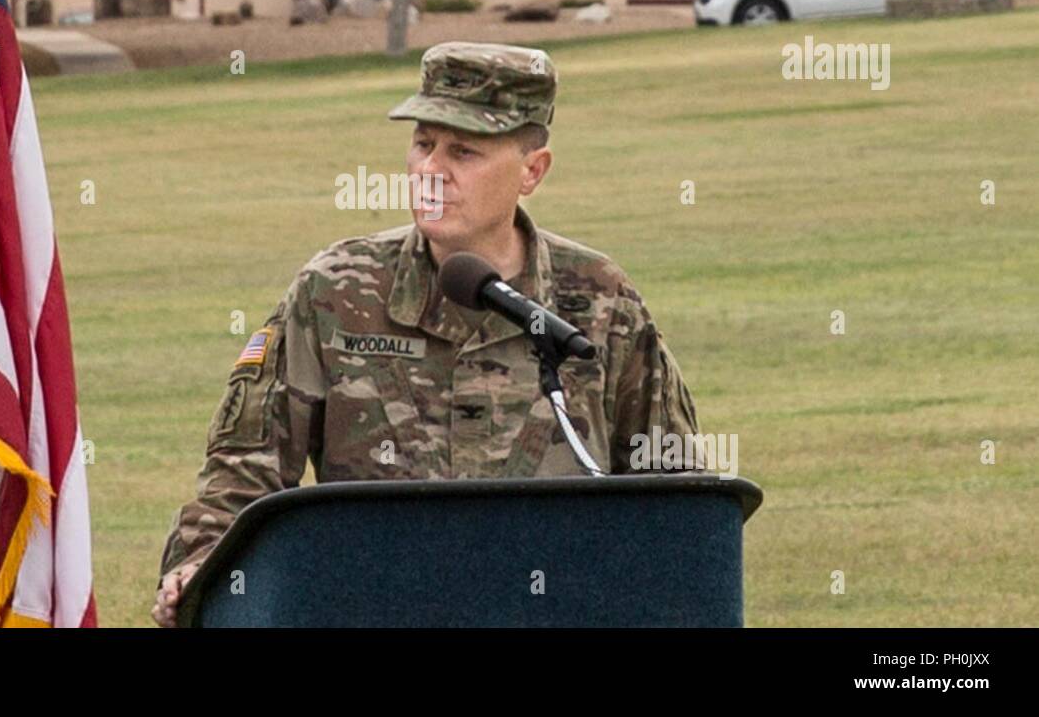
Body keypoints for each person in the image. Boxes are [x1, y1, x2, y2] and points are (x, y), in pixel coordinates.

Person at [152, 41, 702, 627]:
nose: (430, 170)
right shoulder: (337, 291)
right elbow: (246, 464)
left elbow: (673, 493)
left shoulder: (599, 300)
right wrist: (202, 562)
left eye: (464, 151)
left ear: (532, 171)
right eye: (423, 144)